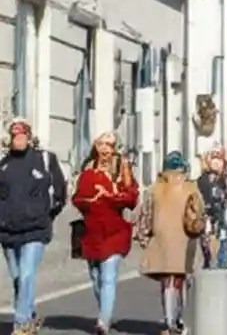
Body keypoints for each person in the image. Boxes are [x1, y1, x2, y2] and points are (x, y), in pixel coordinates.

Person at [0, 117, 66, 334]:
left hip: (36, 230)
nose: (18, 139)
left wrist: (46, 215)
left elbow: (60, 192)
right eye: (14, 136)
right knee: (19, 279)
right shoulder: (3, 165)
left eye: (21, 135)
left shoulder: (44, 160)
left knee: (27, 274)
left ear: (28, 137)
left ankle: (20, 323)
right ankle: (29, 314)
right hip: (8, 231)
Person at [73, 131, 139, 335]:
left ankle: (103, 322)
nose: (105, 149)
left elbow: (131, 198)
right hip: (91, 232)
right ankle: (105, 310)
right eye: (102, 144)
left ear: (115, 147)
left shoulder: (122, 168)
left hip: (114, 232)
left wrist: (110, 196)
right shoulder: (88, 167)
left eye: (109, 145)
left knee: (108, 276)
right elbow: (77, 197)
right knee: (95, 277)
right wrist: (88, 202)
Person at [137, 151, 206, 335]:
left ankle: (169, 320)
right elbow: (200, 215)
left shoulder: (155, 189)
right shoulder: (191, 187)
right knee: (182, 279)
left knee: (167, 281)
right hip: (185, 240)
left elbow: (145, 215)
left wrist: (143, 238)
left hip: (161, 240)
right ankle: (179, 317)